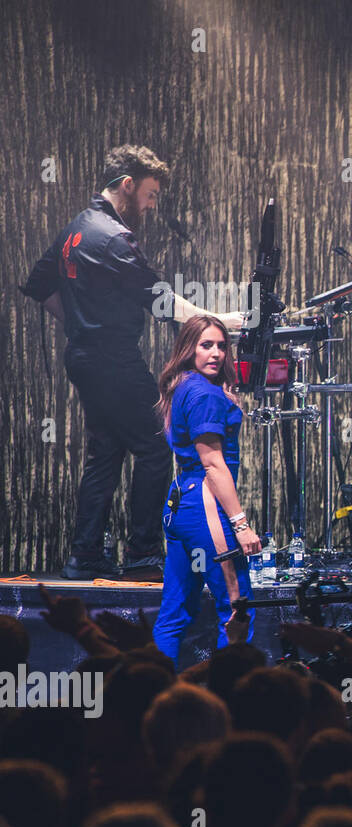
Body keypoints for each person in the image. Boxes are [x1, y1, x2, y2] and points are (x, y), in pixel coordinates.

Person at [20, 145, 246, 580]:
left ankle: (84, 555)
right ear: (127, 185)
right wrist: (223, 322)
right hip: (113, 361)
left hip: (85, 358)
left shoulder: (76, 230)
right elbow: (161, 301)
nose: (151, 204)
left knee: (105, 453)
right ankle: (142, 554)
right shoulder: (114, 238)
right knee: (156, 447)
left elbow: (38, 283)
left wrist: (79, 325)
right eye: (150, 194)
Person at [152, 316, 261, 660]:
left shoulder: (183, 384)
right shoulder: (203, 394)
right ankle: (231, 704)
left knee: (174, 614)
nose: (216, 353)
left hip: (181, 504)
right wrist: (241, 525)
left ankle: (155, 697)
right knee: (237, 611)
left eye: (222, 346)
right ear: (189, 348)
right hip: (205, 507)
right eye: (206, 345)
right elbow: (213, 465)